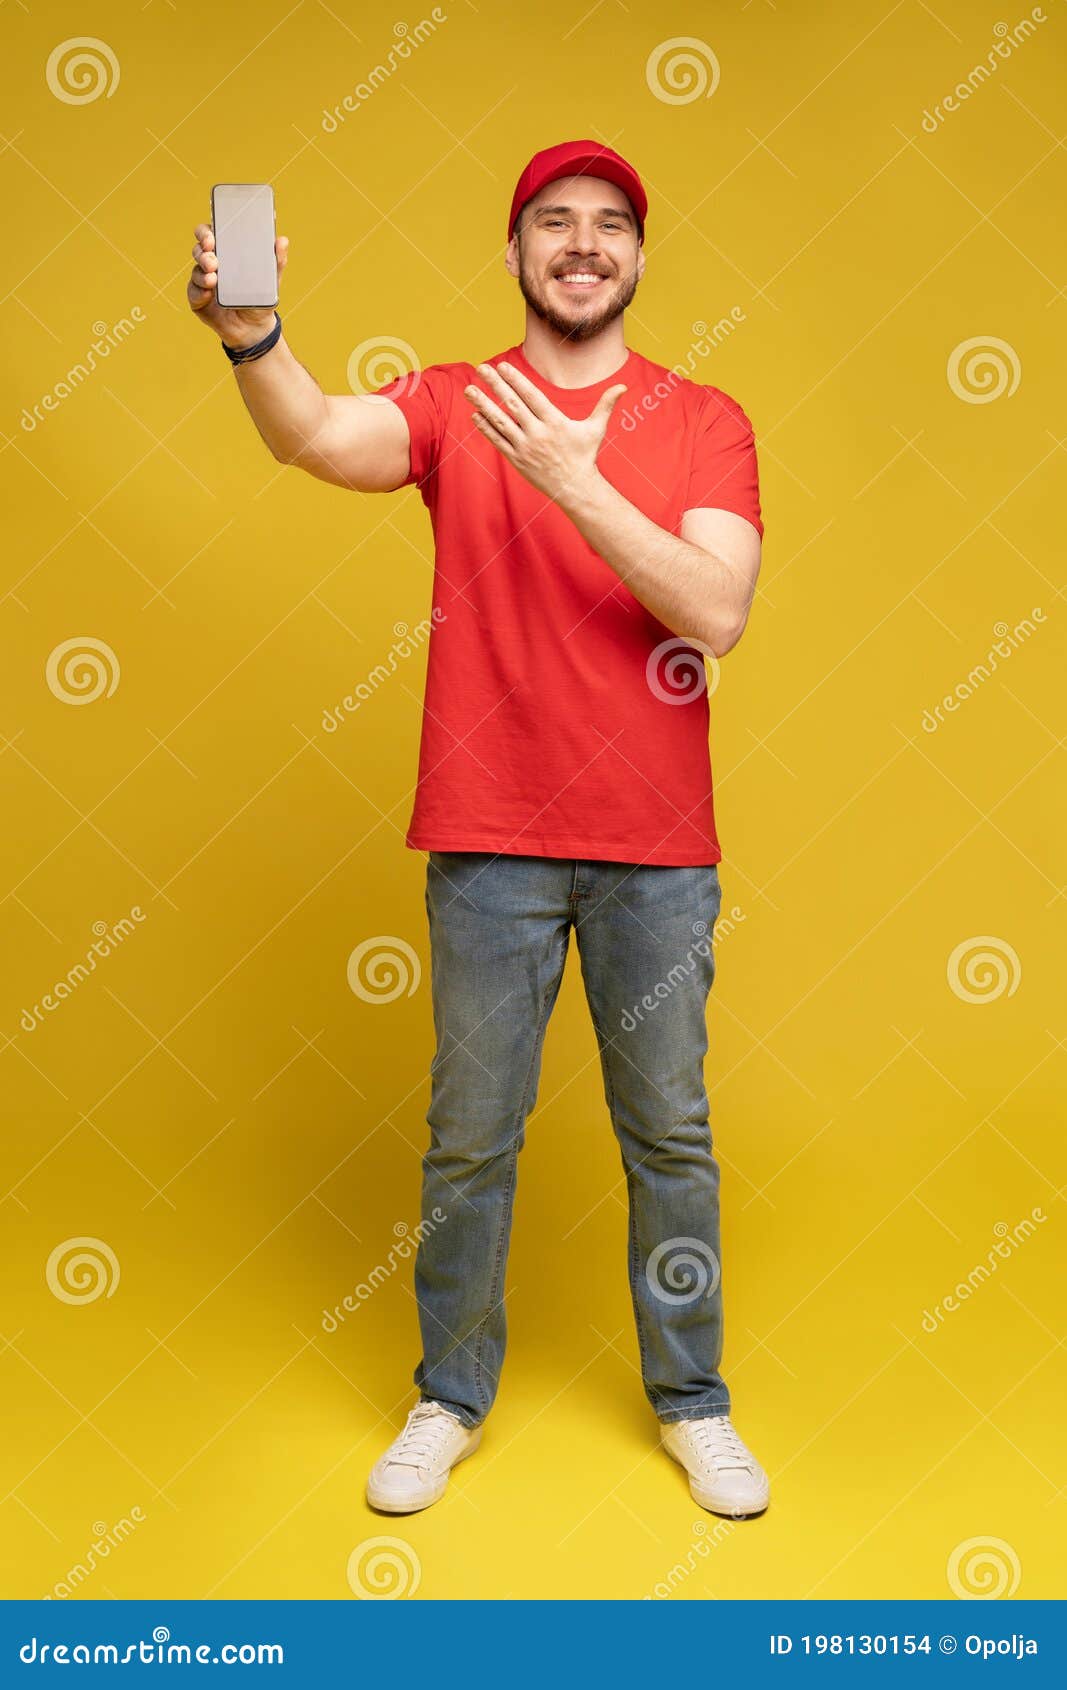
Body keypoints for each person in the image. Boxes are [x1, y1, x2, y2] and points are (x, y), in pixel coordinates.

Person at [187, 139, 770, 1521]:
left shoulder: (707, 419)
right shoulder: (456, 403)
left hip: (657, 850)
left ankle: (694, 1401)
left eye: (610, 224)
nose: (582, 242)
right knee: (471, 1134)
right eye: (553, 222)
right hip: (490, 834)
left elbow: (715, 609)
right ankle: (448, 1393)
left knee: (670, 1134)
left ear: (637, 256)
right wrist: (253, 338)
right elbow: (315, 436)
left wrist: (574, 477)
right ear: (514, 253)